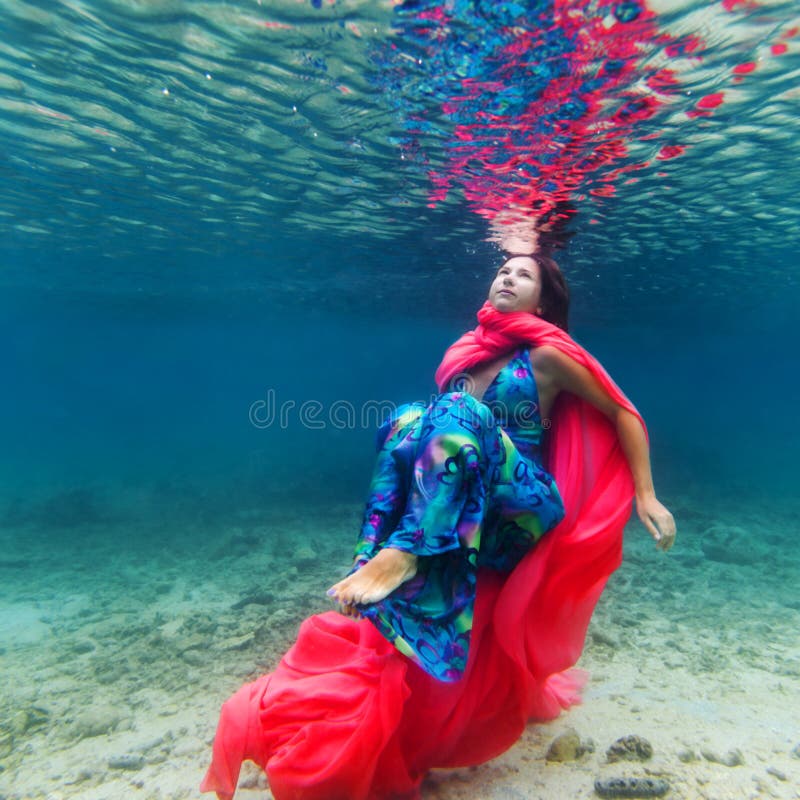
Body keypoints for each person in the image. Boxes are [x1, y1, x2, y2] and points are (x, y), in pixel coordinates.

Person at [200, 240, 676, 800]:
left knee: (457, 409)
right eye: (502, 271)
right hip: (474, 509)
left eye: (522, 276)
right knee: (406, 417)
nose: (506, 279)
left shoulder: (548, 357)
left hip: (525, 503)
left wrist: (646, 494)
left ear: (543, 305)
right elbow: (431, 450)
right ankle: (375, 557)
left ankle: (407, 554)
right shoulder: (468, 355)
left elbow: (622, 409)